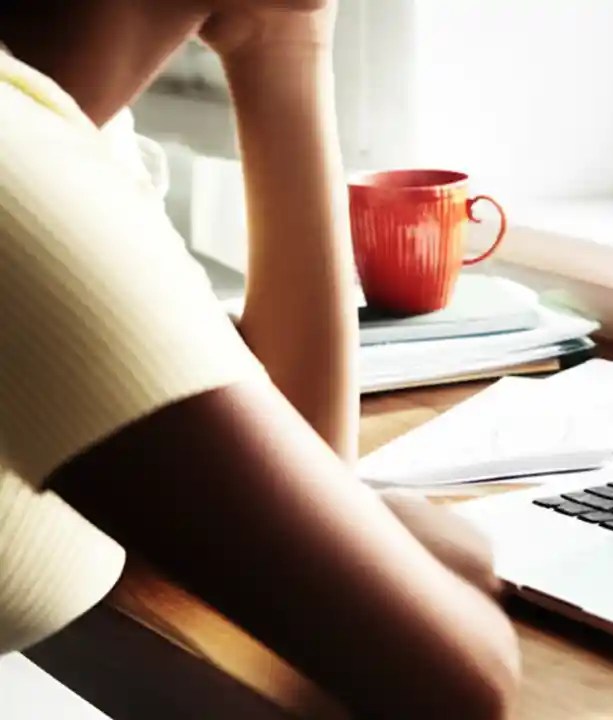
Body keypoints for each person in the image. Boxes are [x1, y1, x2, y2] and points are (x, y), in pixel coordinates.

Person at [0, 1, 519, 717]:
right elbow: (458, 682)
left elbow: (287, 462)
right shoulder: (17, 166)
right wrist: (398, 533)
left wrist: (283, 44)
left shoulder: (68, 131)